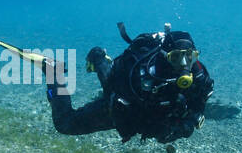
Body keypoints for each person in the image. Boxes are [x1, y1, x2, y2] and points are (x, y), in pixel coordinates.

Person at [45, 22, 214, 146]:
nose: (184, 64)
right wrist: (153, 128)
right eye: (176, 57)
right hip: (122, 103)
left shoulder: (200, 77)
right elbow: (116, 94)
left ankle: (98, 57)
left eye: (190, 56)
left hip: (146, 113)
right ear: (165, 56)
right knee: (65, 124)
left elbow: (198, 106)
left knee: (111, 82)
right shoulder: (145, 75)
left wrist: (187, 124)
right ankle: (55, 71)